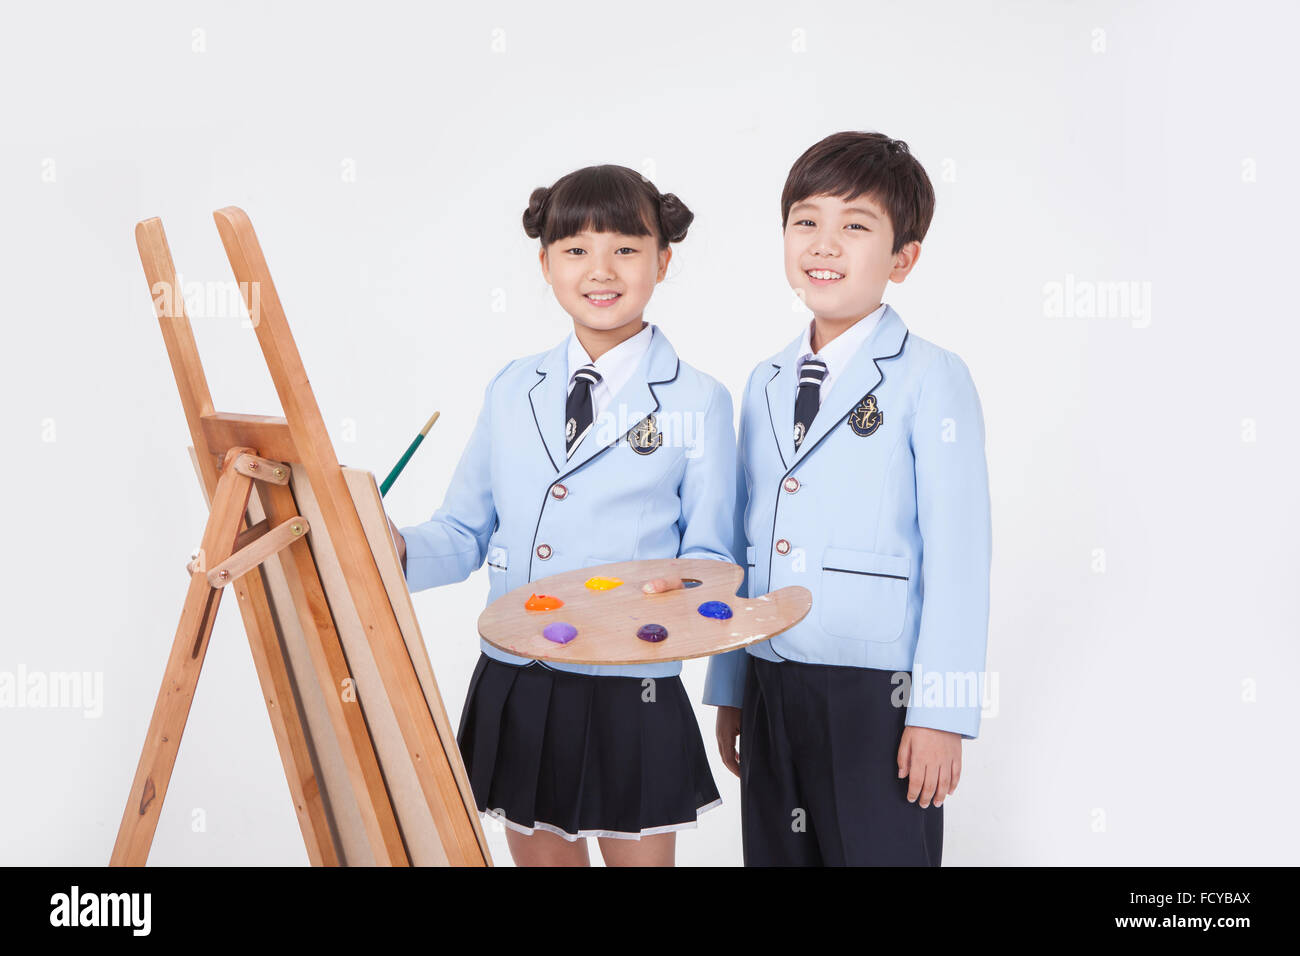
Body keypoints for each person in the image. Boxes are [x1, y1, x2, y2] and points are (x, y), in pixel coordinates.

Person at [386, 164, 737, 867]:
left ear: (663, 261)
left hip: (628, 684)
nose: (600, 269)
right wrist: (388, 548)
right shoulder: (513, 387)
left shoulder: (698, 401)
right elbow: (460, 535)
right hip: (522, 672)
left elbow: (715, 560)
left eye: (625, 249)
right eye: (575, 249)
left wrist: (684, 586)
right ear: (544, 263)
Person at [703, 131, 992, 866]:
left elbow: (962, 559)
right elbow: (747, 538)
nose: (824, 244)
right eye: (807, 221)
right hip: (770, 679)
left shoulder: (932, 377)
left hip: (879, 695)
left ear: (903, 258)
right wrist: (732, 684)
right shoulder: (765, 380)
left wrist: (942, 712)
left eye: (855, 226)